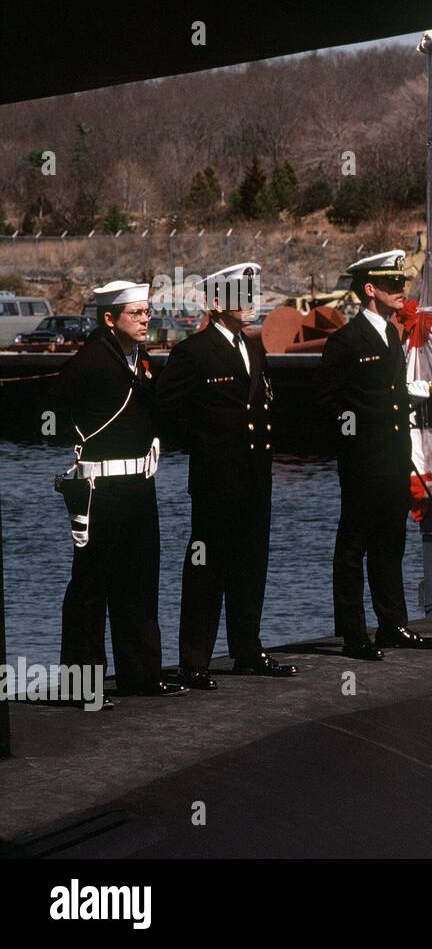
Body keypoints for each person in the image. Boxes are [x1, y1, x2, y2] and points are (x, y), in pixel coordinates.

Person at [156, 262, 296, 690]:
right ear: (218, 303)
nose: (252, 304)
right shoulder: (193, 353)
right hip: (217, 480)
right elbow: (166, 410)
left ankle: (247, 651)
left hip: (255, 476)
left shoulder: (253, 347)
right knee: (206, 568)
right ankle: (194, 660)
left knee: (251, 564)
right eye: (242, 296)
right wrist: (205, 443)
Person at [52, 280, 188, 703]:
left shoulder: (139, 360)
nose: (147, 319)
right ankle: (81, 686)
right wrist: (75, 440)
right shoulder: (91, 361)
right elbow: (53, 413)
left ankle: (142, 674)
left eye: (148, 312)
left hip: (138, 485)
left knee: (139, 581)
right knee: (91, 587)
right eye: (137, 313)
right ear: (110, 319)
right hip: (99, 488)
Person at [318, 249, 432, 661]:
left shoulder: (390, 335)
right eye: (392, 284)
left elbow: (390, 395)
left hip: (392, 457)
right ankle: (353, 634)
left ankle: (393, 624)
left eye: (401, 283)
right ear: (370, 290)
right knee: (353, 549)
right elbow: (327, 404)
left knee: (391, 544)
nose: (400, 289)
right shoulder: (345, 341)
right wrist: (356, 436)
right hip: (363, 461)